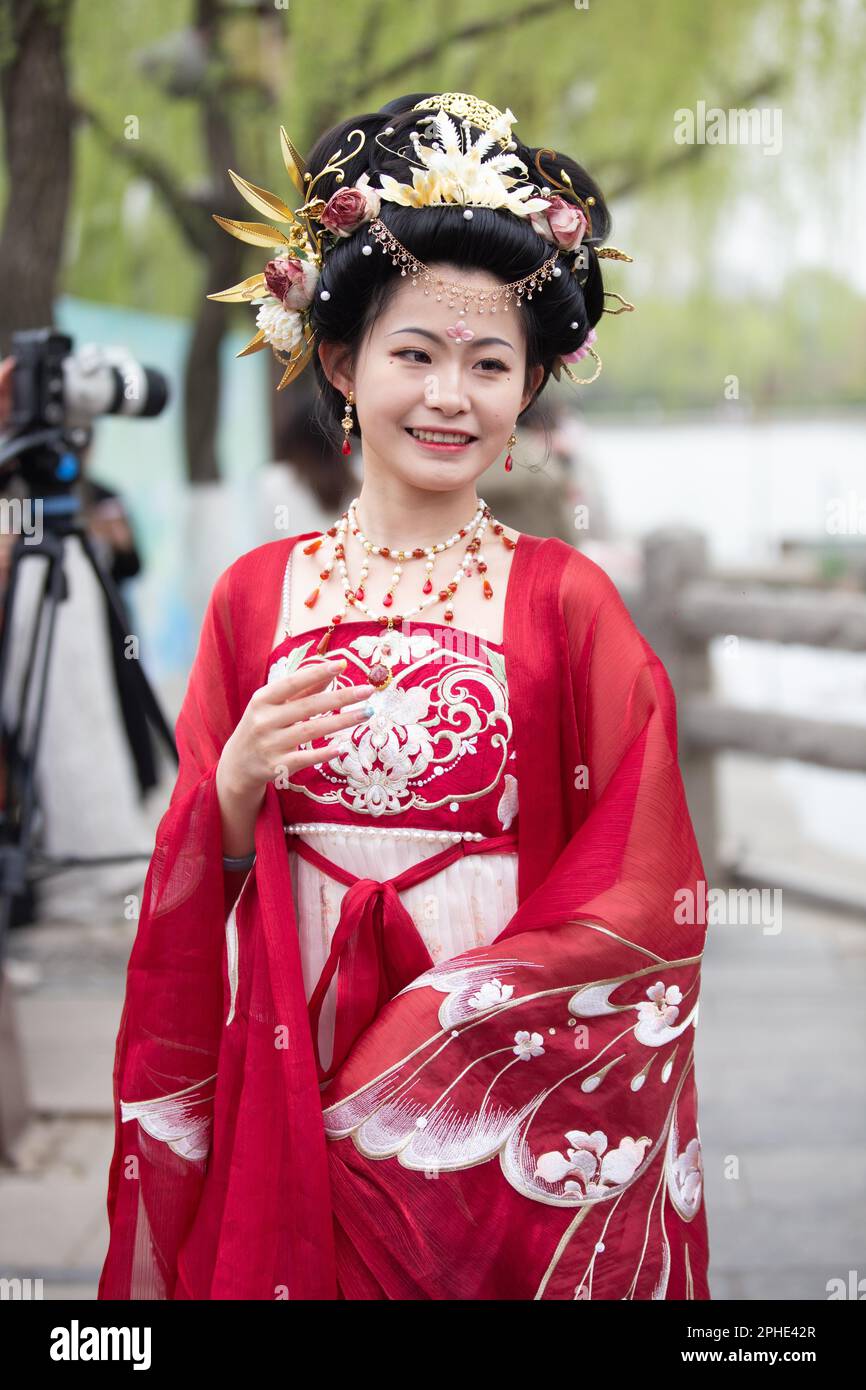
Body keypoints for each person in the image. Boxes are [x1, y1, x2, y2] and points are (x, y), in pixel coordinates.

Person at [98, 92, 711, 1300]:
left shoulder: (565, 600)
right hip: (296, 1044)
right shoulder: (254, 597)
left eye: (489, 365)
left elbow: (644, 876)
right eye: (414, 354)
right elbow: (198, 881)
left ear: (526, 388)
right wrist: (234, 788)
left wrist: (453, 1022)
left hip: (489, 1069)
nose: (449, 396)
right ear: (341, 362)